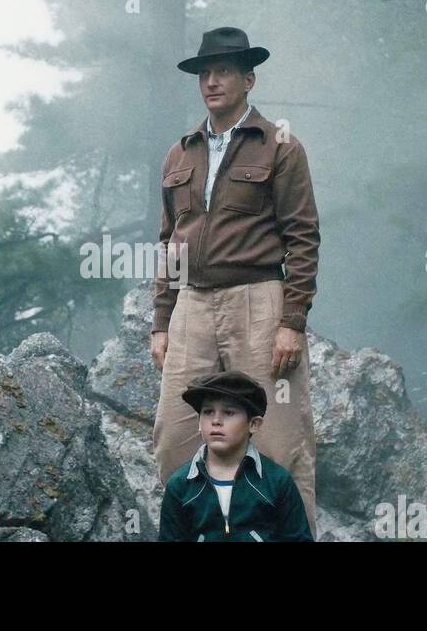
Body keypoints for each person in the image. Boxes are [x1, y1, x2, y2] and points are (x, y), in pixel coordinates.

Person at [151, 27, 321, 535]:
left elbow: (304, 237)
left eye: (223, 71)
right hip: (192, 306)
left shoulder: (280, 146)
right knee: (174, 440)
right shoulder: (179, 154)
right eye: (204, 73)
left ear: (249, 79)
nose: (211, 81)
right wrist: (161, 320)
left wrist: (292, 321)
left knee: (281, 444)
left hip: (259, 300)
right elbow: (168, 243)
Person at [158, 370, 312, 542]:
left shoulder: (277, 481)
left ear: (253, 424)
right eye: (208, 412)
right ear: (199, 422)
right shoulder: (181, 485)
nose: (216, 420)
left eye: (229, 412)